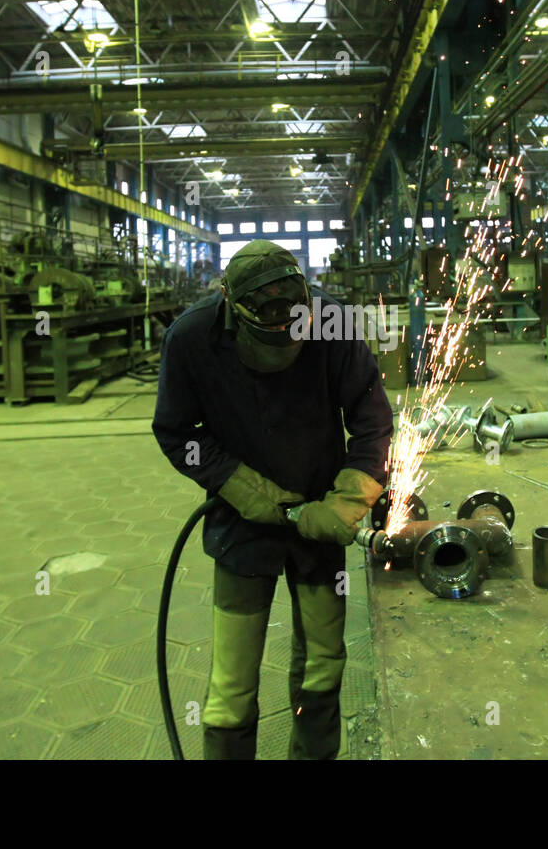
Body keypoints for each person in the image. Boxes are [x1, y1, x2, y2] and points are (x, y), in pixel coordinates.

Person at [152, 240, 393, 759]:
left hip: (321, 519)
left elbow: (372, 425)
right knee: (233, 683)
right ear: (233, 312)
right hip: (241, 523)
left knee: (325, 661)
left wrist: (347, 502)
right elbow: (177, 433)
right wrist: (254, 494)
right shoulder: (191, 337)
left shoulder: (335, 325)